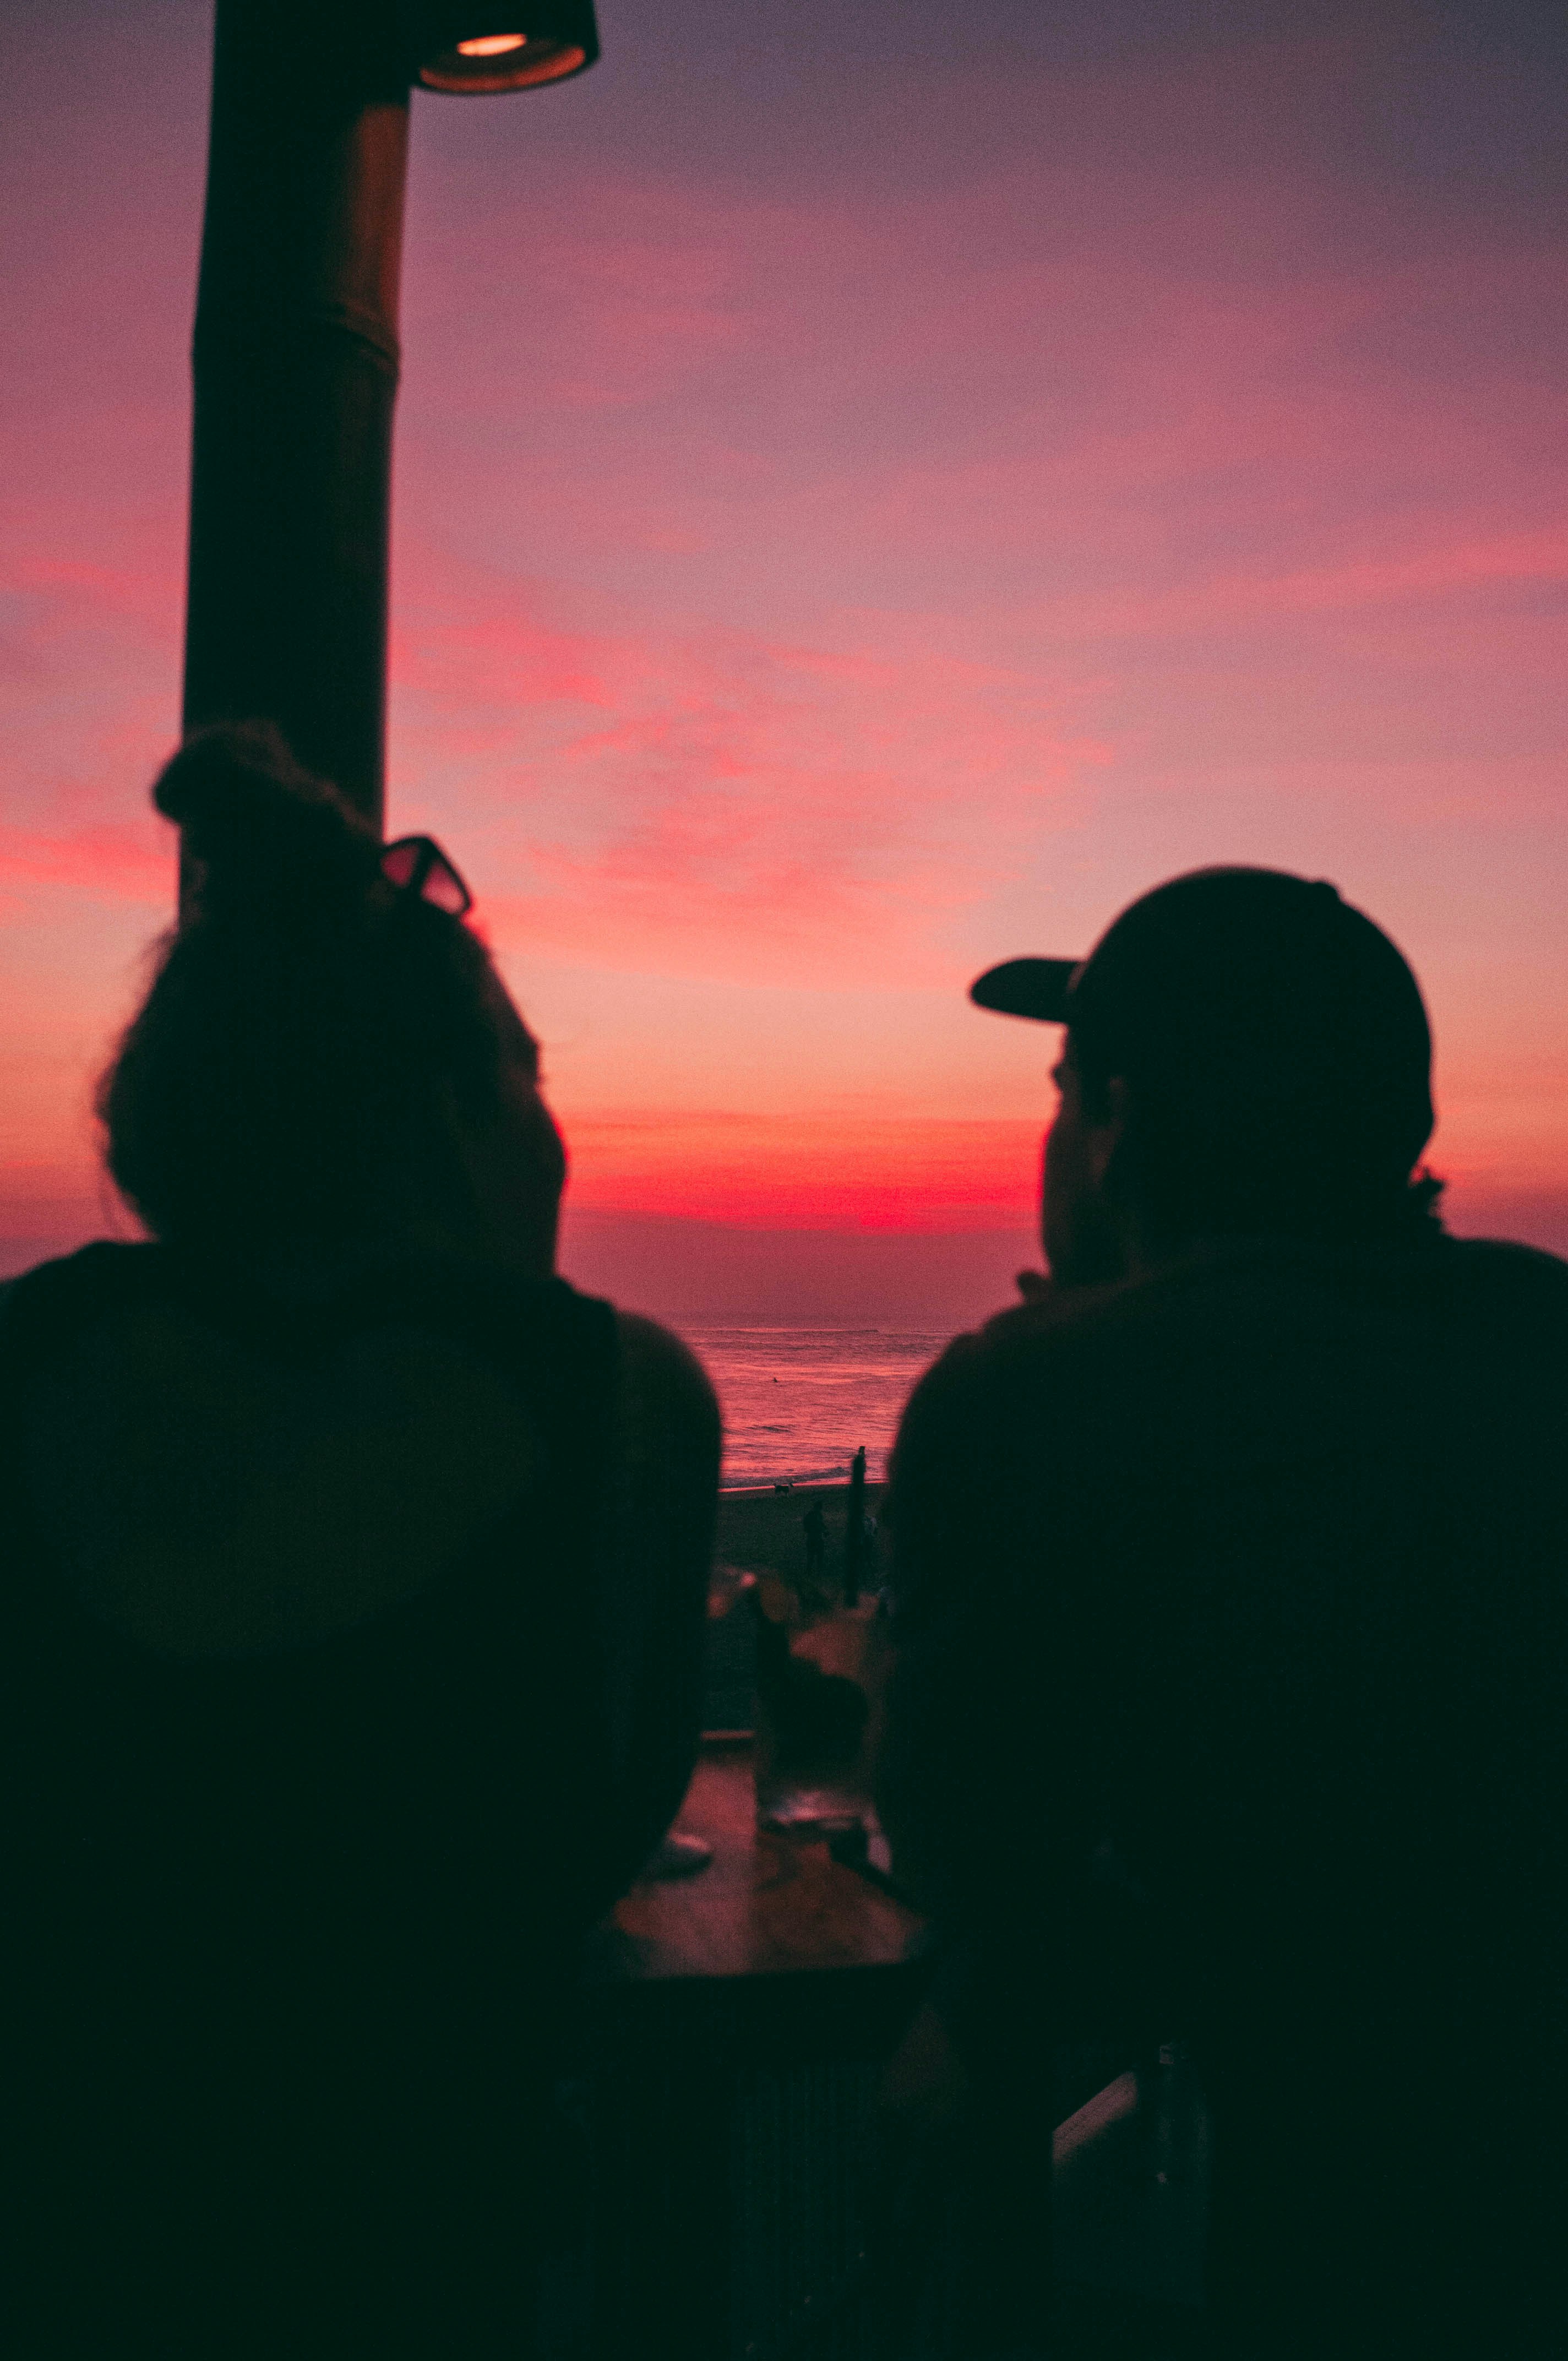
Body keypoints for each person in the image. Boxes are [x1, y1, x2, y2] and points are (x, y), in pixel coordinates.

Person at [0, 725, 720, 2358]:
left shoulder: (24, 1359)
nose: (554, 1137)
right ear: (452, 1115)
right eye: (533, 1080)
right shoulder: (623, 1402)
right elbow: (594, 1836)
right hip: (435, 2241)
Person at [876, 868, 1568, 2357]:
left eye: (1066, 1095)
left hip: (1333, 2246)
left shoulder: (1037, 1399)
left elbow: (973, 1856)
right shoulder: (1538, 1334)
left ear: (1116, 1125)